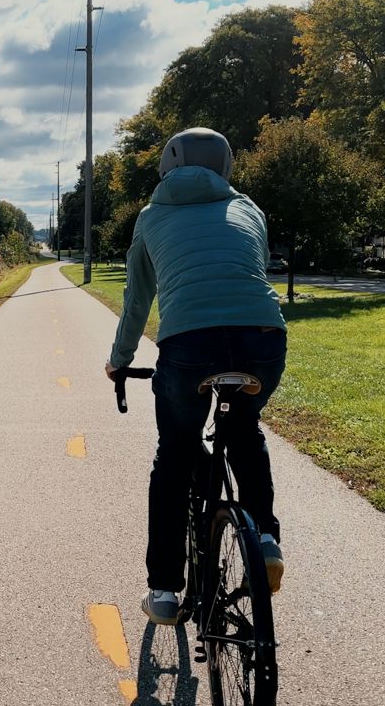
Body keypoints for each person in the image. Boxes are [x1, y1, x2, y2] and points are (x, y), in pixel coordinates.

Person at [104, 127, 288, 626]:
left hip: (189, 345)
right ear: (225, 167)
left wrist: (119, 359)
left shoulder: (151, 216)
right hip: (263, 339)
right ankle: (264, 538)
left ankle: (165, 590)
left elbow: (138, 299)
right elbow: (251, 271)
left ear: (167, 166)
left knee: (175, 453)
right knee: (245, 430)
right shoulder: (249, 208)